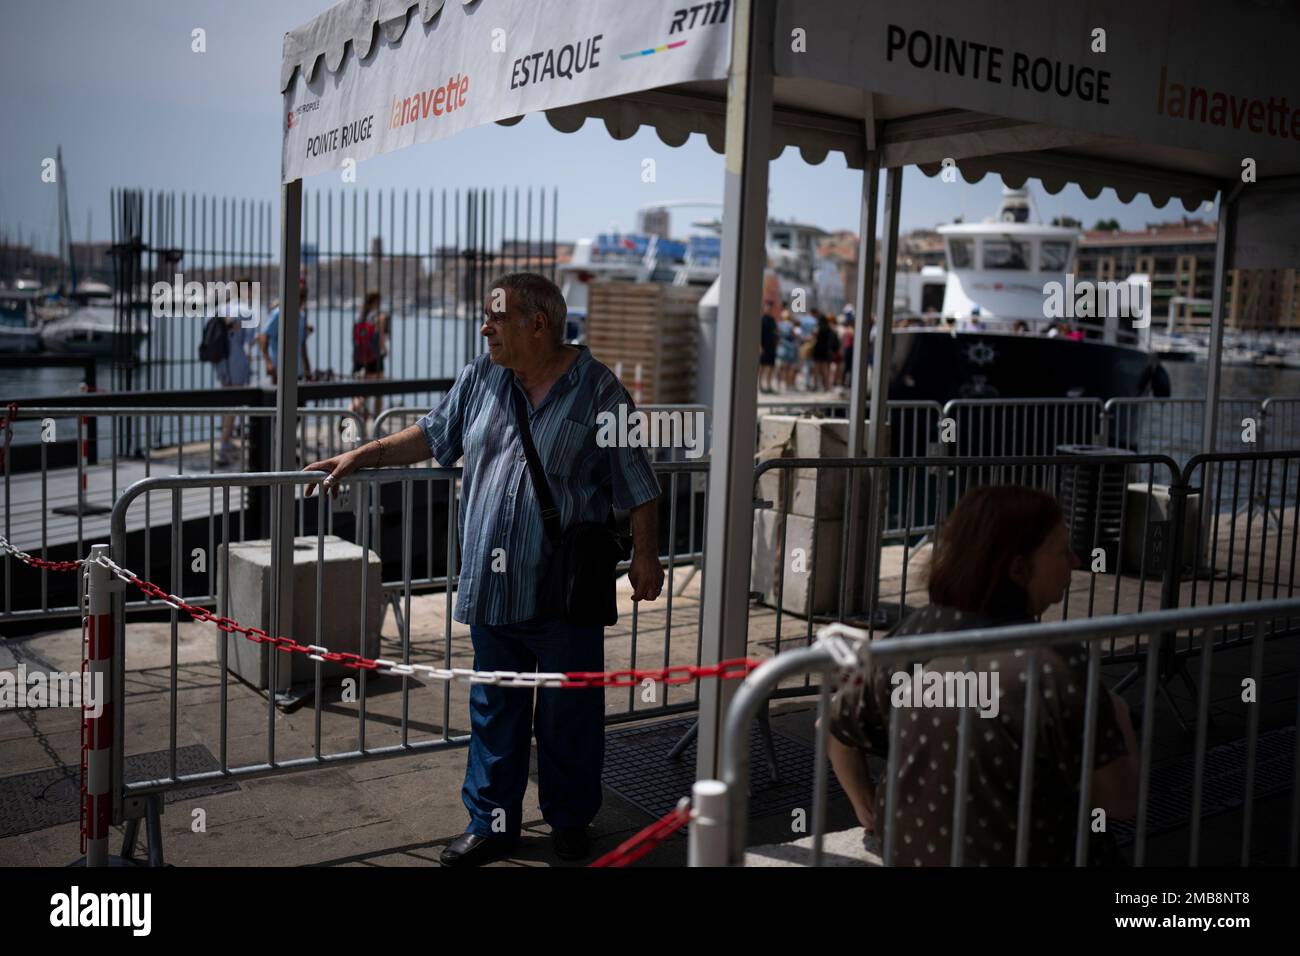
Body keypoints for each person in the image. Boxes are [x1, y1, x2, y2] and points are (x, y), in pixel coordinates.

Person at [303, 272, 665, 867]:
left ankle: (571, 821)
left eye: (496, 317)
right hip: (493, 587)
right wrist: (361, 455)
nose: (484, 327)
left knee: (569, 712)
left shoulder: (600, 391)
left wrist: (645, 555)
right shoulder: (479, 378)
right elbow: (430, 435)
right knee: (495, 708)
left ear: (538, 324)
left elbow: (637, 482)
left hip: (565, 592)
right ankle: (491, 823)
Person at [826, 485, 1140, 866]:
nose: (1074, 560)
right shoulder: (1052, 662)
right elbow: (1120, 801)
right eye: (1061, 550)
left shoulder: (911, 637)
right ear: (1019, 568)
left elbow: (837, 726)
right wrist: (1115, 711)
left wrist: (866, 803)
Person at [212, 280, 257, 467]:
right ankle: (223, 446)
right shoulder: (246, 311)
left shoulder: (221, 309)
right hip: (237, 360)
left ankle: (226, 439)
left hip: (221, 361)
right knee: (235, 403)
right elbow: (249, 339)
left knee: (226, 401)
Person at [259, 275, 312, 385]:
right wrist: (268, 362)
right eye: (300, 295)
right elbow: (264, 337)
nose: (302, 299)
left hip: (297, 372)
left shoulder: (301, 317)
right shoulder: (278, 313)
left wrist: (307, 369)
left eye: (304, 296)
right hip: (279, 371)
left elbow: (302, 345)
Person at [350, 290, 389, 420]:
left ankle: (350, 410)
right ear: (376, 302)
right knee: (379, 391)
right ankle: (377, 421)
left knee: (363, 392)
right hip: (375, 359)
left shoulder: (360, 317)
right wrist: (384, 350)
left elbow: (355, 340)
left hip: (360, 359)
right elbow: (381, 339)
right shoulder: (379, 317)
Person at [776, 309, 799, 390]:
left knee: (780, 366)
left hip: (781, 346)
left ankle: (778, 384)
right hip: (790, 347)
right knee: (788, 367)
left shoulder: (779, 324)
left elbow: (777, 335)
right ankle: (787, 384)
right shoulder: (790, 325)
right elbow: (793, 335)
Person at [759, 307, 778, 393]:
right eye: (767, 308)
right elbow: (759, 333)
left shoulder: (772, 320)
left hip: (772, 346)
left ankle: (769, 385)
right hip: (764, 346)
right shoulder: (762, 319)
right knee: (762, 366)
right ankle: (760, 385)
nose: (769, 310)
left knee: (770, 366)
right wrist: (760, 346)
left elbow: (775, 332)